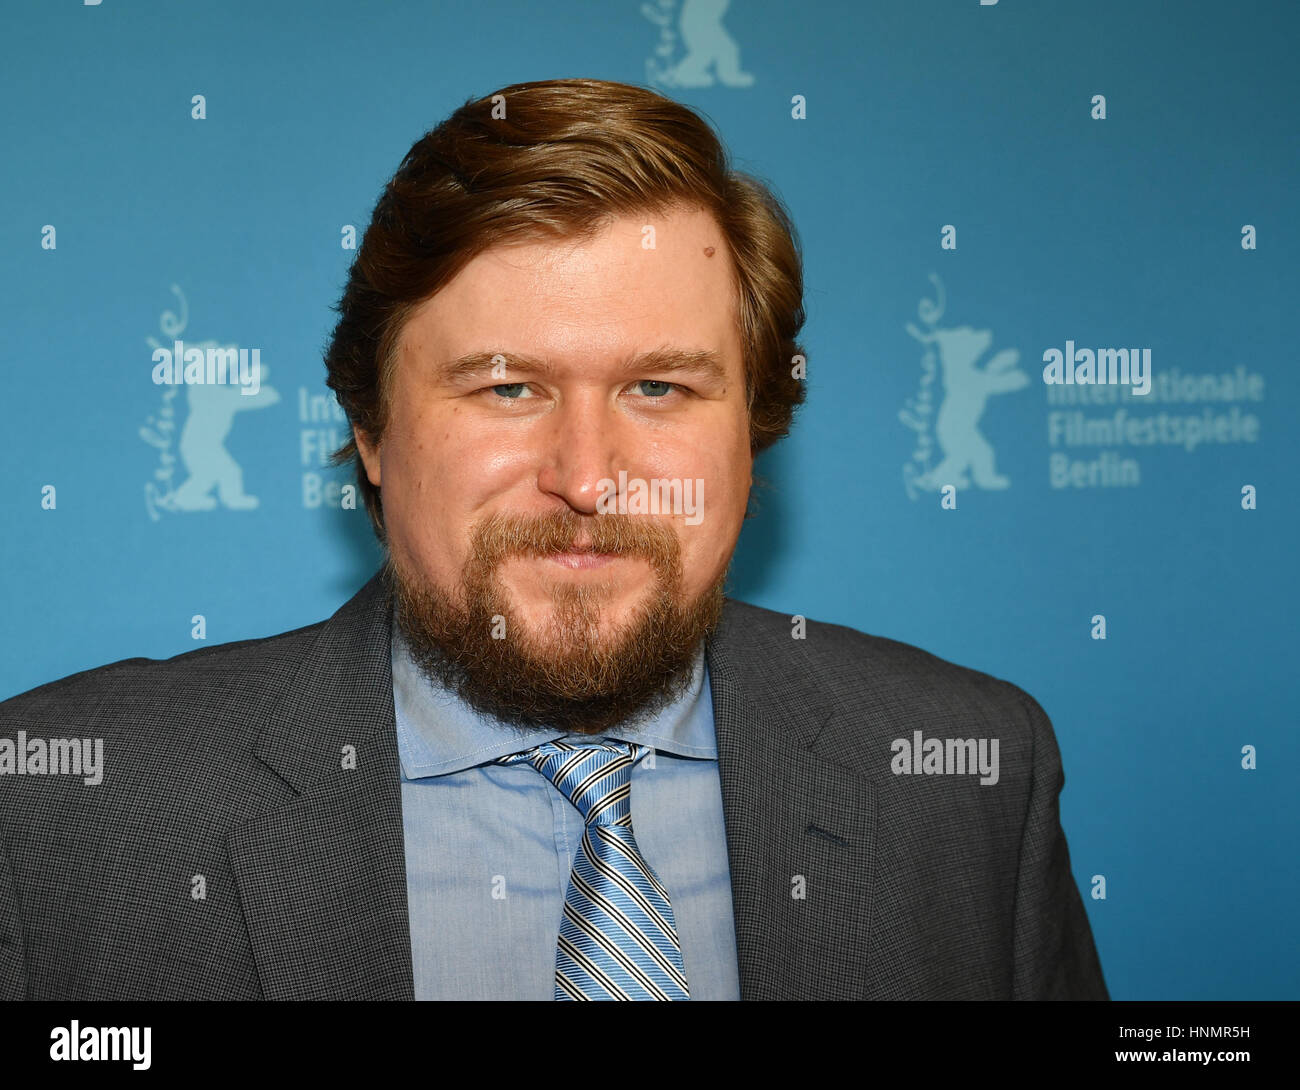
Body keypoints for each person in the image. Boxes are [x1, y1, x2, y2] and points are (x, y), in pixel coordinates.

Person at [0, 78, 1106, 1001]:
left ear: (753, 432)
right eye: (508, 385)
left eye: (660, 386)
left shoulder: (968, 781)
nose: (586, 477)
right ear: (371, 431)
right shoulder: (60, 812)